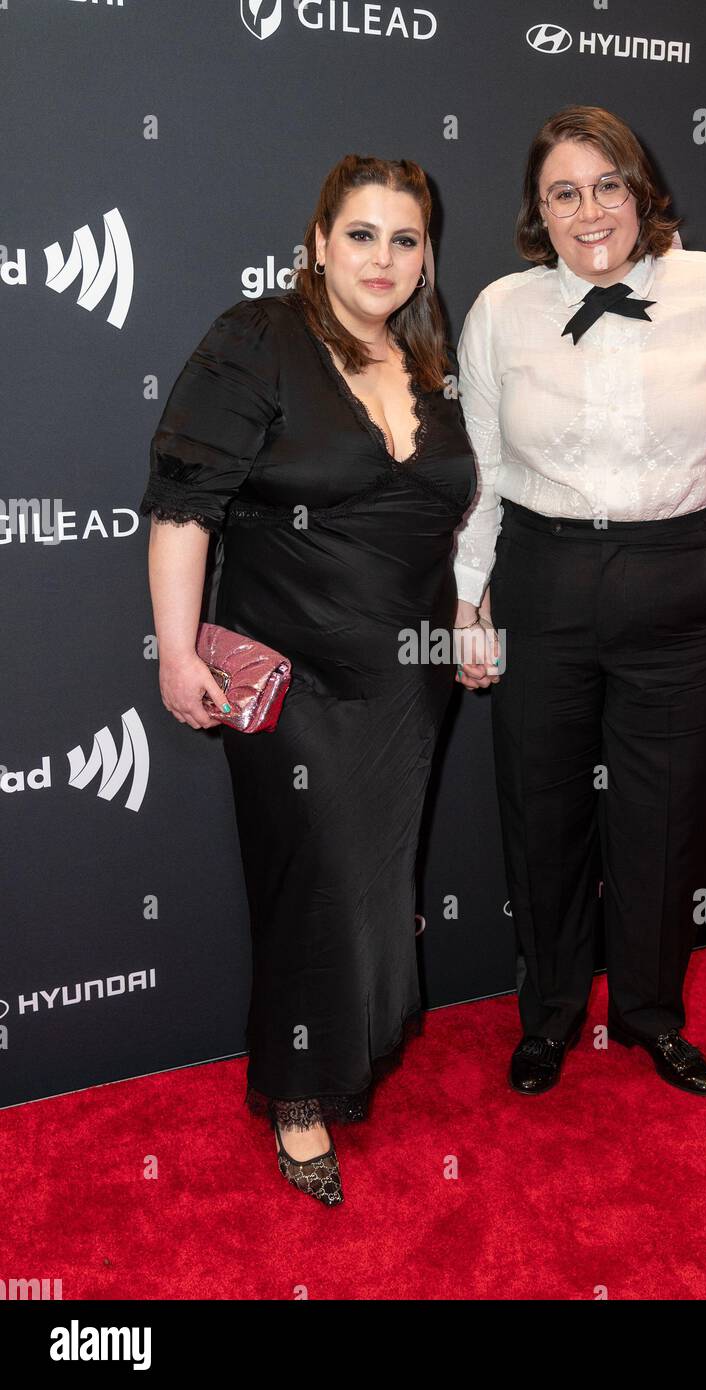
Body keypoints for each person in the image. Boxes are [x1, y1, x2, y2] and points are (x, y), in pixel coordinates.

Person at [452, 105, 706, 1099]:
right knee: (542, 811)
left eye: (605, 184)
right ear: (538, 209)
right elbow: (477, 469)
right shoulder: (499, 311)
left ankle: (651, 1011)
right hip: (542, 576)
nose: (587, 210)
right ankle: (553, 1014)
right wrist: (465, 598)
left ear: (640, 190)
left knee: (664, 818)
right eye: (562, 192)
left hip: (679, 583)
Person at [139, 156, 476, 1204]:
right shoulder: (258, 340)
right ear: (320, 240)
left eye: (405, 239)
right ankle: (294, 1096)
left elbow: (452, 513)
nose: (383, 258)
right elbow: (185, 503)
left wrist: (467, 608)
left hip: (408, 677)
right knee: (312, 884)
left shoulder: (430, 361)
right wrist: (179, 645)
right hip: (292, 677)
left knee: (376, 880)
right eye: (363, 234)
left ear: (426, 258)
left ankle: (353, 1053)